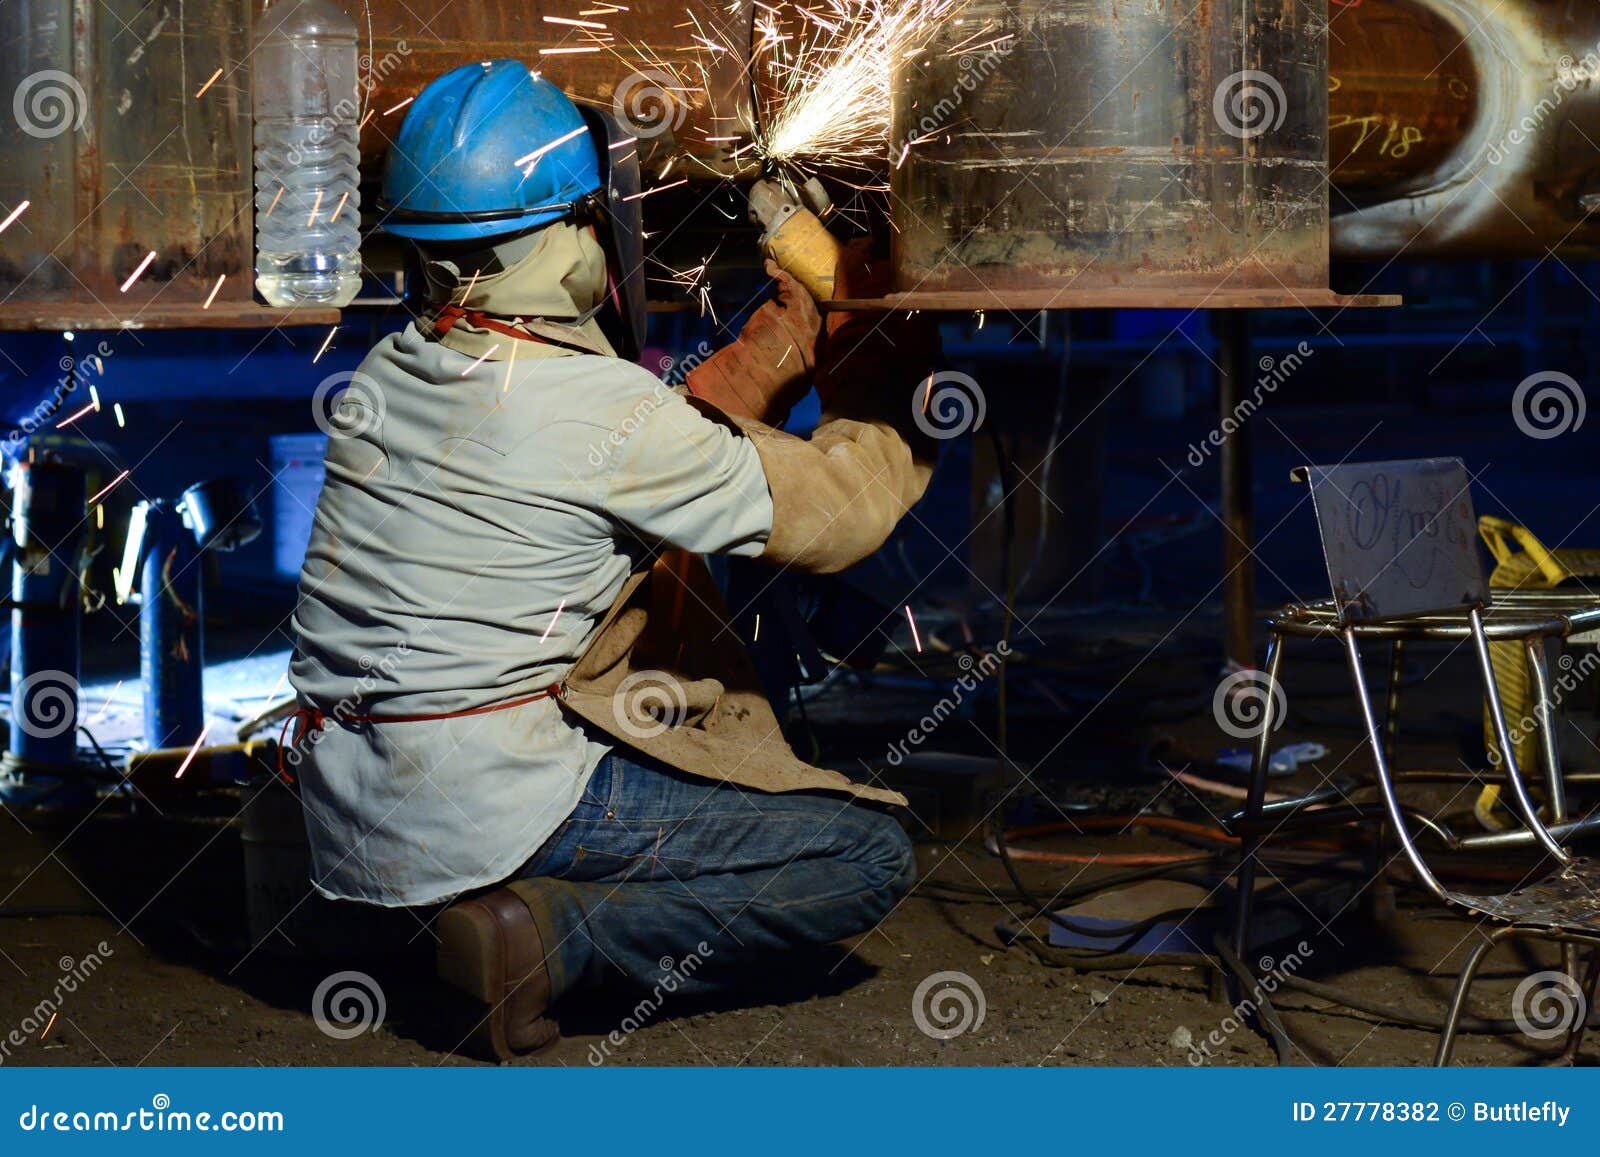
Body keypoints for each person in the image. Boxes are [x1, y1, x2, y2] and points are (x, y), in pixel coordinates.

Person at [286, 60, 938, 1060]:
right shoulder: (592, 412)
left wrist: (786, 334)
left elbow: (647, 444)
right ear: (574, 227)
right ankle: (547, 937)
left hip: (346, 790)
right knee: (864, 852)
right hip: (486, 795)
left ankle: (414, 916)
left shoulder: (396, 368)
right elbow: (838, 516)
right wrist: (877, 373)